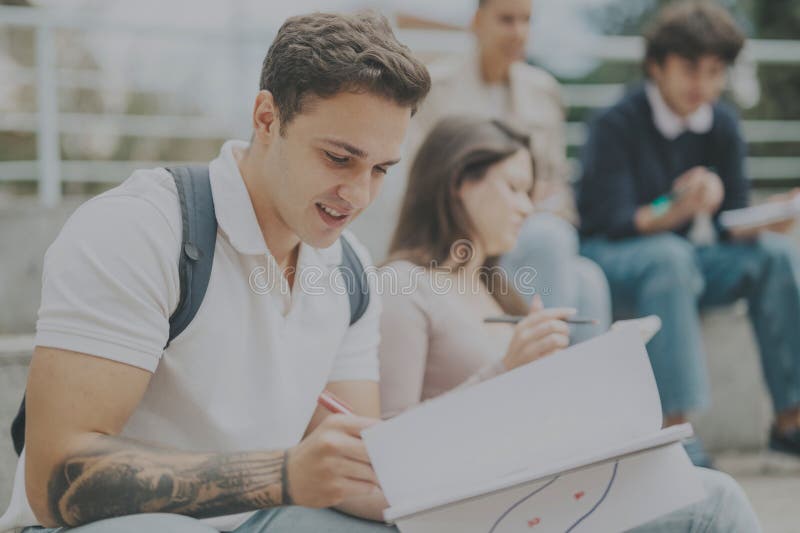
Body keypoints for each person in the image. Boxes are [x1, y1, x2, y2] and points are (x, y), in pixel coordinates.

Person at [0, 11, 430, 533]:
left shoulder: (349, 269)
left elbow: (354, 472)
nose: (360, 195)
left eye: (381, 169)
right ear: (267, 118)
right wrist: (284, 474)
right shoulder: (141, 229)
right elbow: (55, 482)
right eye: (339, 158)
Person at [378, 115, 762, 532]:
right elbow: (393, 446)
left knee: (703, 489)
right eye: (513, 188)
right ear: (458, 183)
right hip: (490, 509)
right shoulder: (403, 285)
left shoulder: (496, 289)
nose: (526, 207)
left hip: (541, 490)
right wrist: (504, 369)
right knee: (716, 501)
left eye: (529, 193)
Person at [576, 0, 800, 467]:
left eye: (716, 71)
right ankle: (674, 433)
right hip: (611, 255)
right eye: (691, 69)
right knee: (669, 256)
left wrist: (766, 218)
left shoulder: (722, 124)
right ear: (657, 66)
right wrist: (677, 206)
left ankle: (790, 421)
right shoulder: (616, 122)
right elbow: (612, 219)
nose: (704, 84)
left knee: (774, 255)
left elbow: (729, 222)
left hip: (683, 258)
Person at [404, 0, 611, 342]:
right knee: (550, 238)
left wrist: (542, 197)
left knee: (589, 278)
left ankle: (578, 389)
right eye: (506, 20)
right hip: (465, 236)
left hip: (527, 226)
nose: (518, 33)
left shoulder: (544, 91)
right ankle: (543, 367)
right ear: (477, 21)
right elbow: (424, 183)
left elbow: (558, 182)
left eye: (526, 21)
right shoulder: (437, 89)